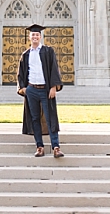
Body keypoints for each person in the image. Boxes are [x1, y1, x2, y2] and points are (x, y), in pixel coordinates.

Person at [16, 25, 65, 157]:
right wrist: (23, 88)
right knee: (35, 118)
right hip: (31, 90)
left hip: (45, 89)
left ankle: (56, 147)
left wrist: (54, 87)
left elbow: (54, 69)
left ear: (40, 37)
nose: (35, 37)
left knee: (50, 118)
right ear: (29, 37)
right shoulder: (26, 55)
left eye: (37, 35)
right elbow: (20, 73)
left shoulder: (48, 52)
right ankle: (39, 147)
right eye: (33, 35)